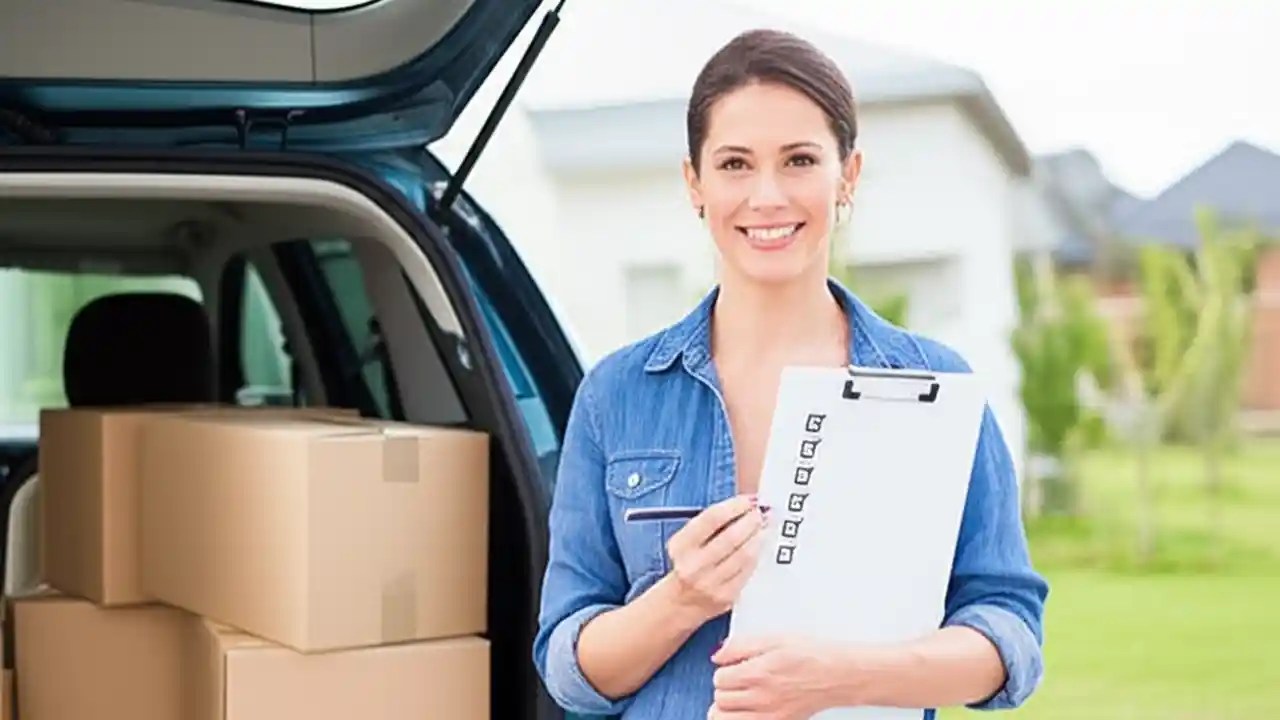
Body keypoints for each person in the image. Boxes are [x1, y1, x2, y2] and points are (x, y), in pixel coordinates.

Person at [532, 28, 1048, 720]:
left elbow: (1010, 638)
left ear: (849, 176)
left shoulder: (936, 387)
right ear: (695, 183)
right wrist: (682, 598)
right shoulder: (617, 394)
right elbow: (570, 673)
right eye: (735, 164)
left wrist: (847, 678)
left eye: (800, 159)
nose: (767, 196)